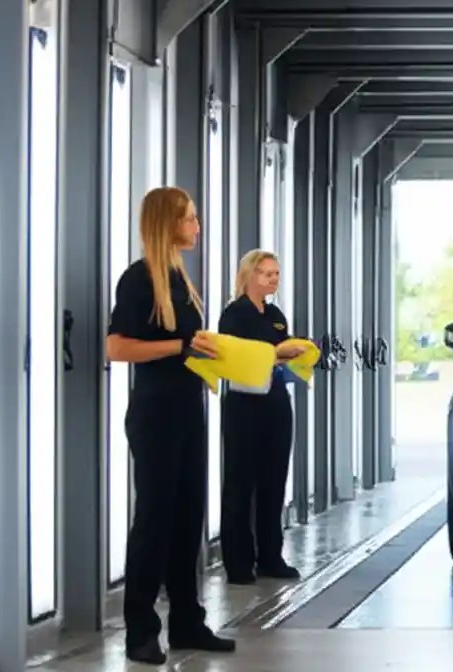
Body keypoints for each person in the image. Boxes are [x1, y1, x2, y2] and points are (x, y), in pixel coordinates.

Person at [105, 187, 236, 665]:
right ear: (168, 223)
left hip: (188, 410)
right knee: (155, 520)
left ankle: (187, 621)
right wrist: (180, 348)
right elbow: (117, 348)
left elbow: (188, 346)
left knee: (187, 520)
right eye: (191, 219)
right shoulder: (139, 280)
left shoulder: (181, 280)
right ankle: (141, 631)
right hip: (155, 414)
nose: (197, 227)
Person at [219, 250, 308, 584]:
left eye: (276, 274)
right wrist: (276, 353)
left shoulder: (275, 315)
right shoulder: (235, 314)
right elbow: (234, 356)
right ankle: (238, 561)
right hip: (244, 404)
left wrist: (296, 355)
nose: (273, 279)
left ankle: (270, 555)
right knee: (241, 482)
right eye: (266, 273)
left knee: (273, 482)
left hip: (275, 402)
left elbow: (282, 351)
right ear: (249, 275)